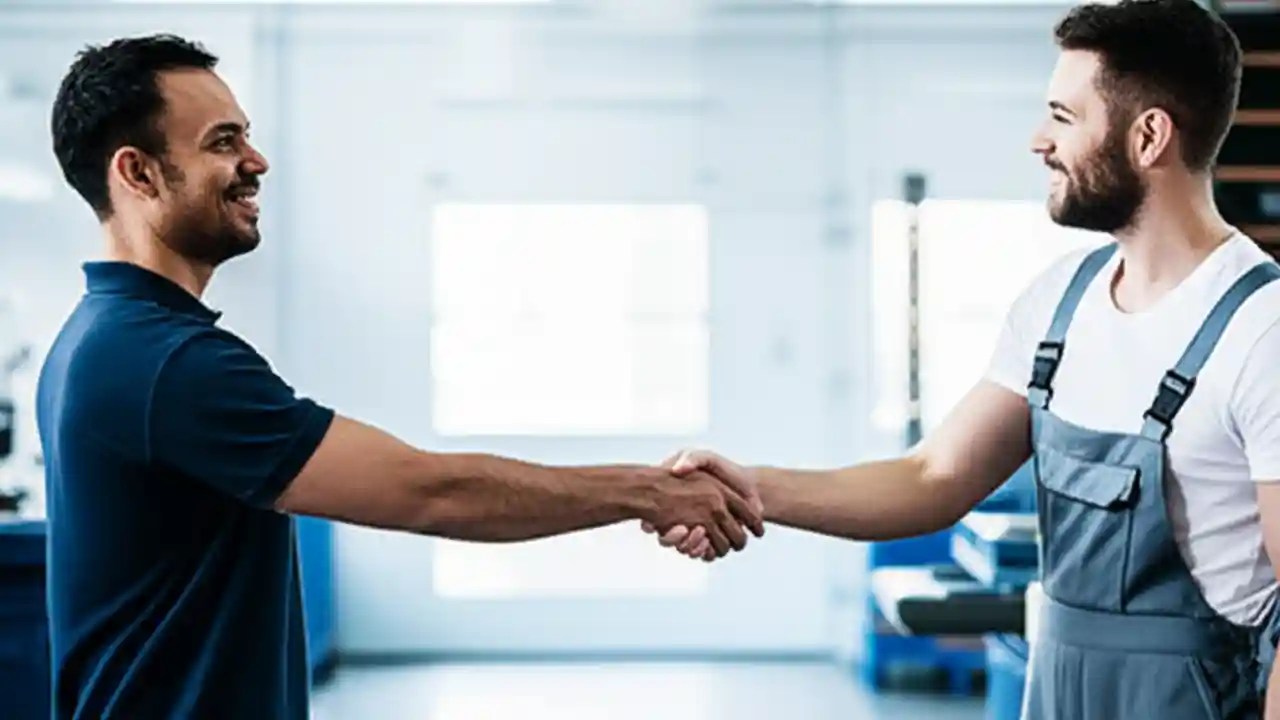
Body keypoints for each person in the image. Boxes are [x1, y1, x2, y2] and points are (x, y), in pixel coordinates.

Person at [37, 35, 763, 720]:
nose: (256, 161)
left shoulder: (99, 338)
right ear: (137, 172)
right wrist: (649, 490)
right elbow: (432, 491)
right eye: (223, 142)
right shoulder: (162, 360)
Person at [647, 0, 1280, 716]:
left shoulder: (1260, 331)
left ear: (1149, 136)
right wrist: (745, 487)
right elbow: (933, 476)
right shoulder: (1059, 305)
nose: (1038, 140)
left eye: (1063, 117)